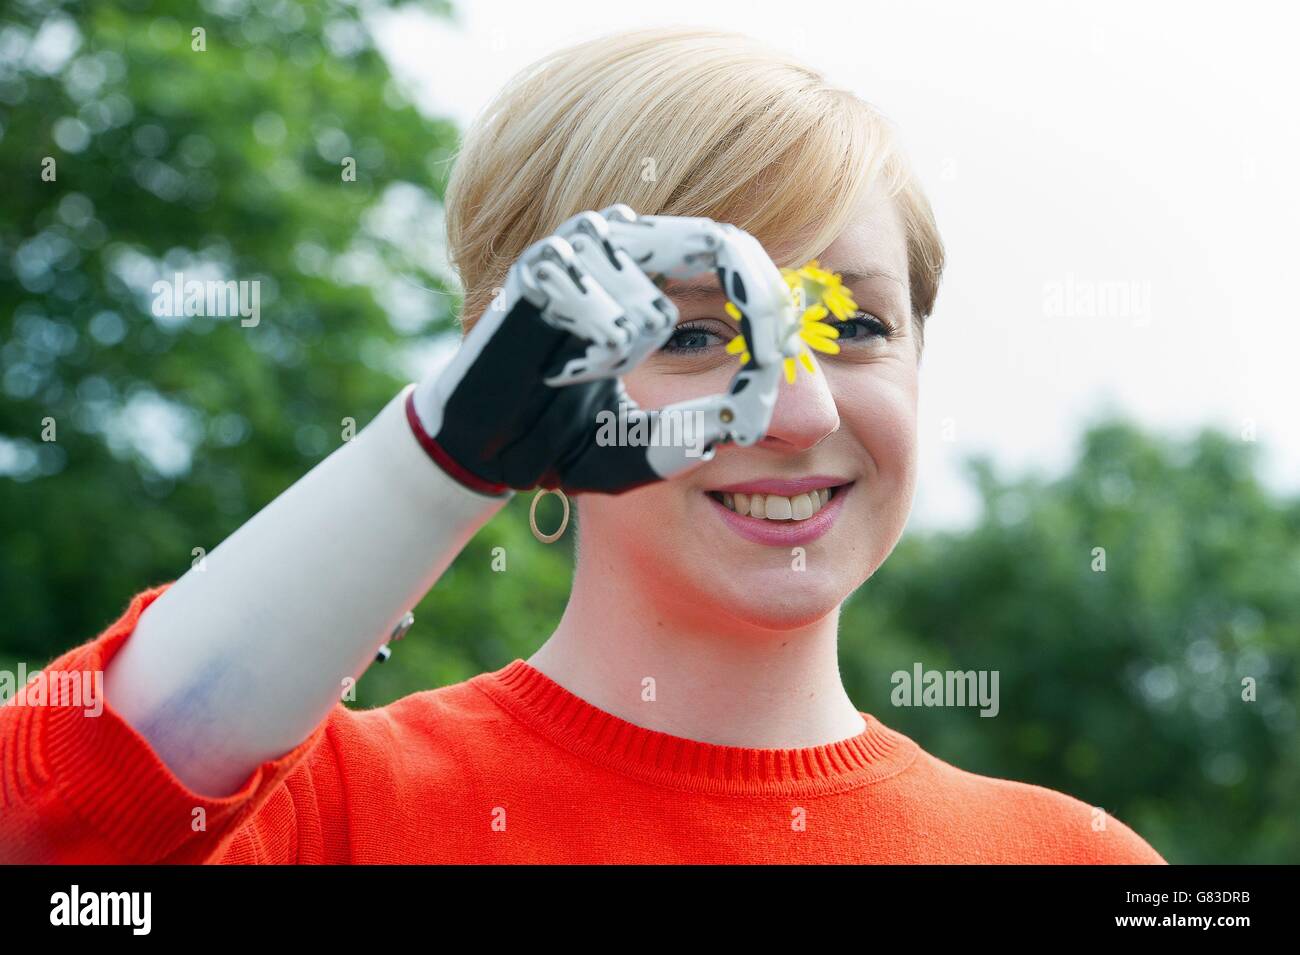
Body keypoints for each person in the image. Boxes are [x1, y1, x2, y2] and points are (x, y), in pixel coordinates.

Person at [0, 26, 1165, 864]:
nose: (797, 410)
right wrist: (435, 459)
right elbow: (47, 827)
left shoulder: (1075, 858)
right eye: (698, 332)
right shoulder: (333, 817)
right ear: (523, 374)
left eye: (853, 324)